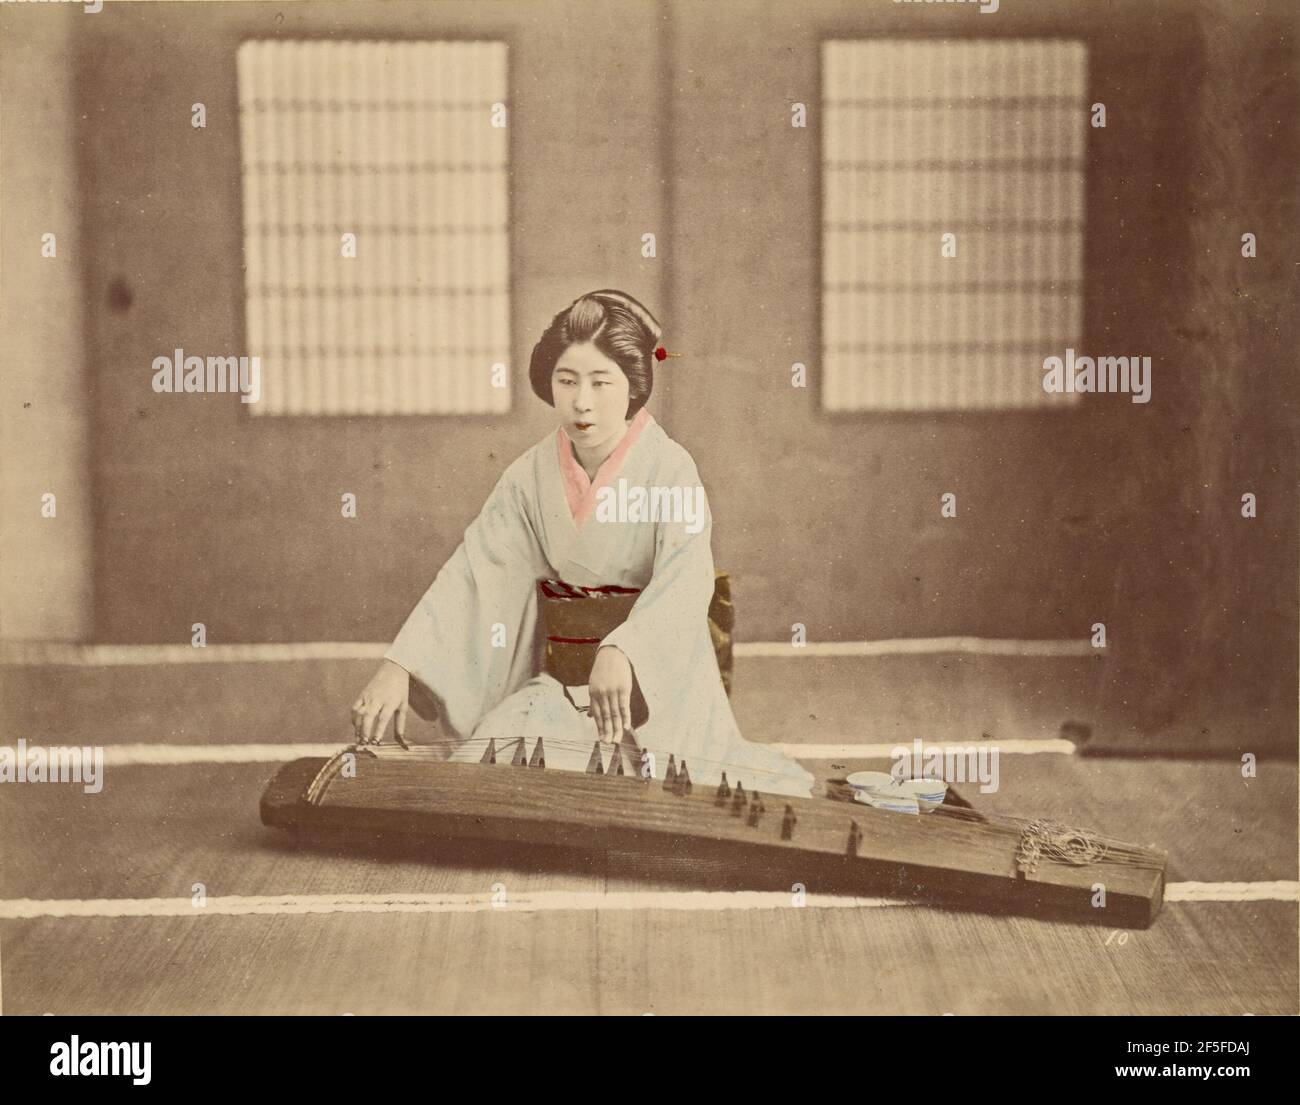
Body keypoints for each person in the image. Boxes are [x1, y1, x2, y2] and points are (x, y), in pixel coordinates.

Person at [349, 289, 814, 798]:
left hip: (657, 693)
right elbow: (476, 571)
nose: (582, 401)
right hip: (562, 688)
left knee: (665, 788)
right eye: (566, 381)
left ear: (633, 386)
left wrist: (626, 648)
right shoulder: (529, 477)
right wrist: (402, 664)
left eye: (601, 382)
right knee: (509, 767)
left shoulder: (670, 470)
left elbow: (687, 582)